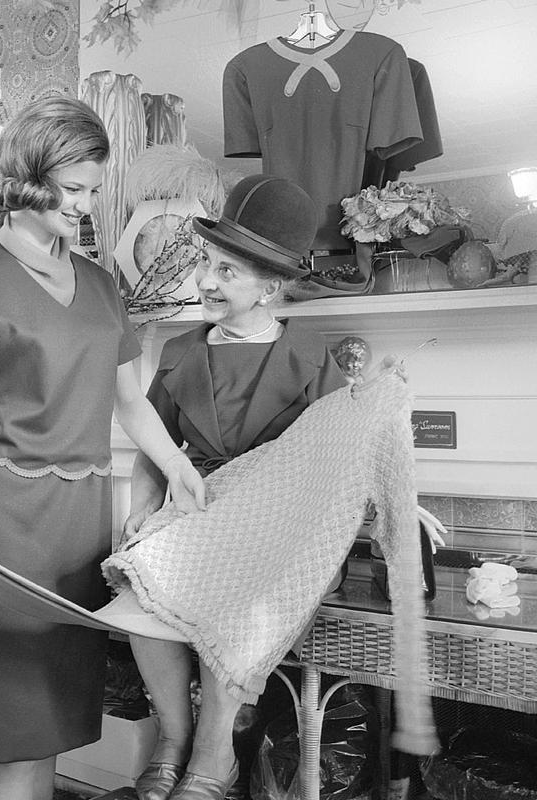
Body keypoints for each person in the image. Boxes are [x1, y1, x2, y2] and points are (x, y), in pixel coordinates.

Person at [0, 96, 205, 800]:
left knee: (50, 721)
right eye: (75, 189)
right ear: (30, 178)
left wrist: (179, 466)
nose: (88, 206)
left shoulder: (100, 285)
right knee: (5, 723)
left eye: (95, 190)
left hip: (79, 525)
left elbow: (130, 402)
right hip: (4, 520)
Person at [113, 174, 445, 800]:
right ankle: (172, 738)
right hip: (199, 505)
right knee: (135, 583)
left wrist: (404, 507)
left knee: (236, 602)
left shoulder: (310, 356)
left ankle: (214, 760)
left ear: (270, 286)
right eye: (206, 266)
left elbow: (346, 448)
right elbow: (154, 447)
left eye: (227, 273)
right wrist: (140, 508)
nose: (207, 282)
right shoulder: (181, 351)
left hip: (279, 521)